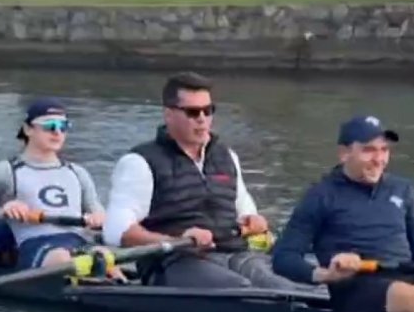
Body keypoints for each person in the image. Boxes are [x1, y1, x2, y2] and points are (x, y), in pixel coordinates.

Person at [103, 72, 296, 289]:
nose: (202, 119)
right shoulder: (139, 162)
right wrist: (176, 240)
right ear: (168, 115)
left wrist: (254, 221)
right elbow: (116, 231)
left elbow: (246, 213)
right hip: (174, 262)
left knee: (283, 288)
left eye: (208, 110)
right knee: (240, 288)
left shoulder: (227, 157)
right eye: (192, 112)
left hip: (233, 254)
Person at [271, 115, 414, 312]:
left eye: (384, 150)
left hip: (404, 279)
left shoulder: (401, 189)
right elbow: (283, 258)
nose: (379, 159)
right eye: (369, 150)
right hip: (355, 289)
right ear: (344, 154)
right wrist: (325, 274)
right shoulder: (321, 196)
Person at [0, 98, 108, 270]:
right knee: (62, 257)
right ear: (28, 129)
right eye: (50, 126)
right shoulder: (6, 172)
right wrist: (2, 213)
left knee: (104, 256)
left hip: (78, 242)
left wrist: (99, 219)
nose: (57, 132)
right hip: (37, 245)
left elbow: (98, 212)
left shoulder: (77, 173)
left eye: (63, 126)